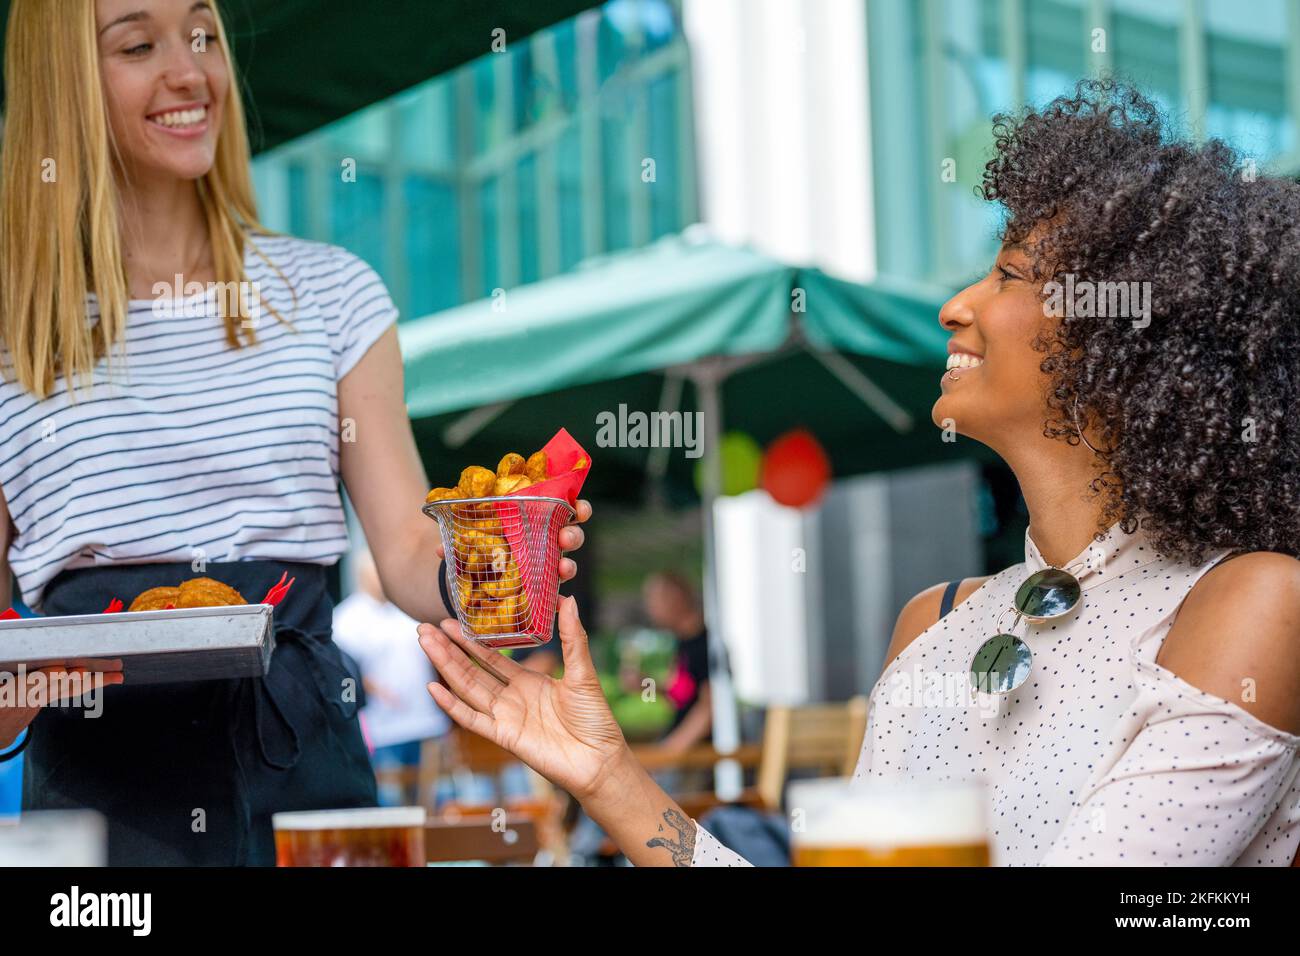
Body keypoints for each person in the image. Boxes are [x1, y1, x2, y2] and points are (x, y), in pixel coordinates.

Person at [416, 78, 1300, 866]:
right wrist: (607, 774)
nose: (957, 304)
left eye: (1009, 274)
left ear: (1131, 342)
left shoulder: (1250, 605)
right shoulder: (936, 622)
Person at [0, 0, 588, 865]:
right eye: (137, 44)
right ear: (65, 86)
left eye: (203, 34)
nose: (188, 72)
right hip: (101, 793)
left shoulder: (333, 293)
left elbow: (402, 552)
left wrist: (494, 562)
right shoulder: (14, 327)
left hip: (309, 766)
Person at [333, 550, 449, 805]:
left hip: (425, 721)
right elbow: (343, 673)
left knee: (433, 801)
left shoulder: (407, 608)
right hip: (382, 727)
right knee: (391, 802)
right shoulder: (347, 618)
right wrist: (374, 691)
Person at [642, 571, 714, 757]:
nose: (650, 609)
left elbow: (710, 708)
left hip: (699, 757)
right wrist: (646, 684)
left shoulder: (704, 644)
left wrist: (666, 754)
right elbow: (682, 694)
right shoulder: (684, 642)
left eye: (654, 599)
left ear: (676, 598)